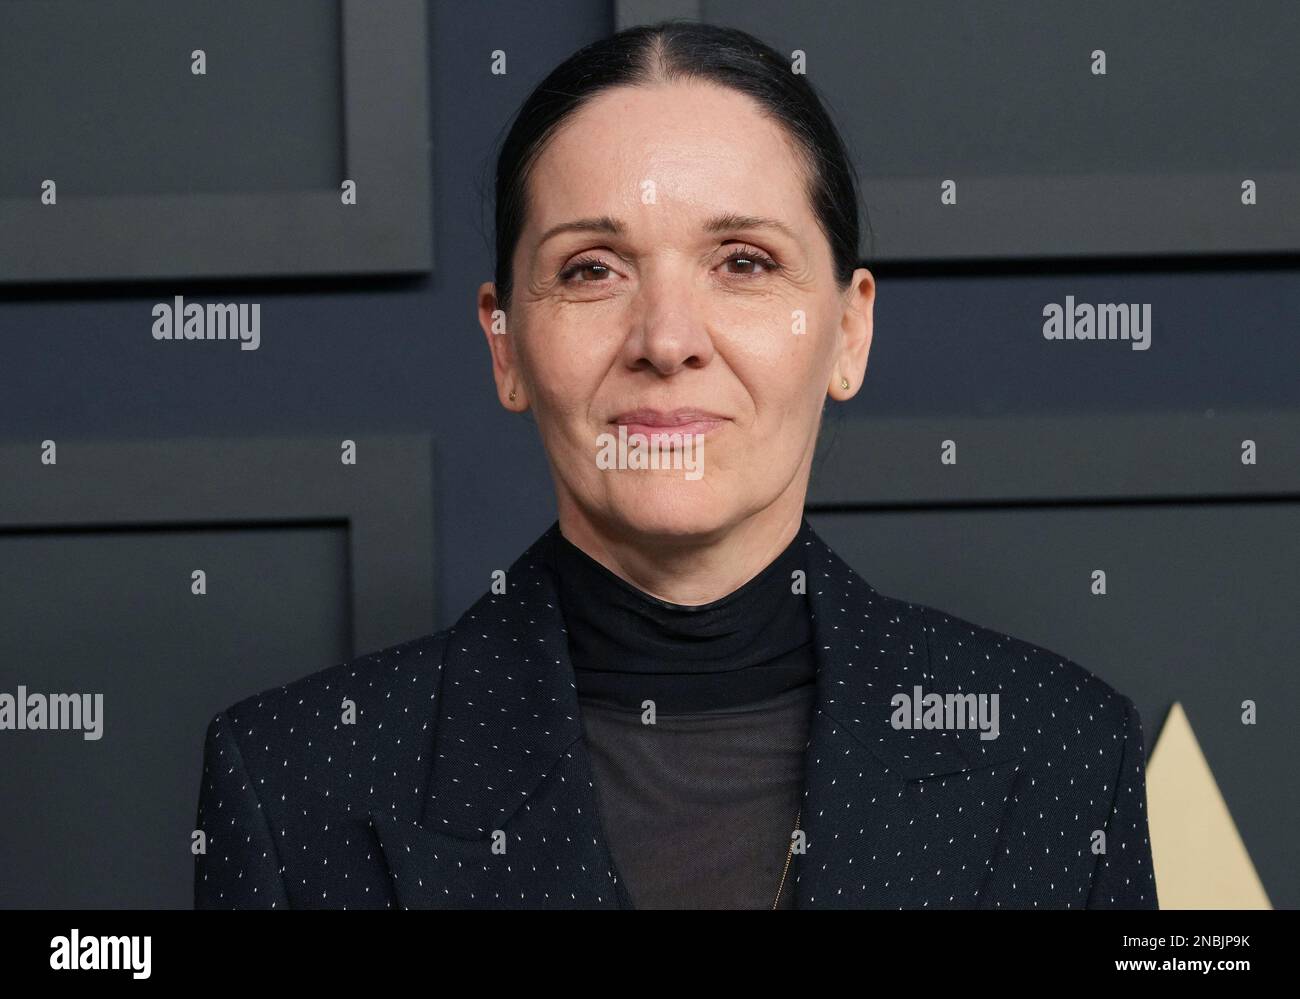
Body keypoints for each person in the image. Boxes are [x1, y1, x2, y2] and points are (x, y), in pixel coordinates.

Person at [194, 19, 1157, 909]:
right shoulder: (295, 781)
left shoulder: (1061, 752)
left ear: (848, 329)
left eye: (742, 261)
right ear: (505, 346)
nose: (666, 338)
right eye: (591, 270)